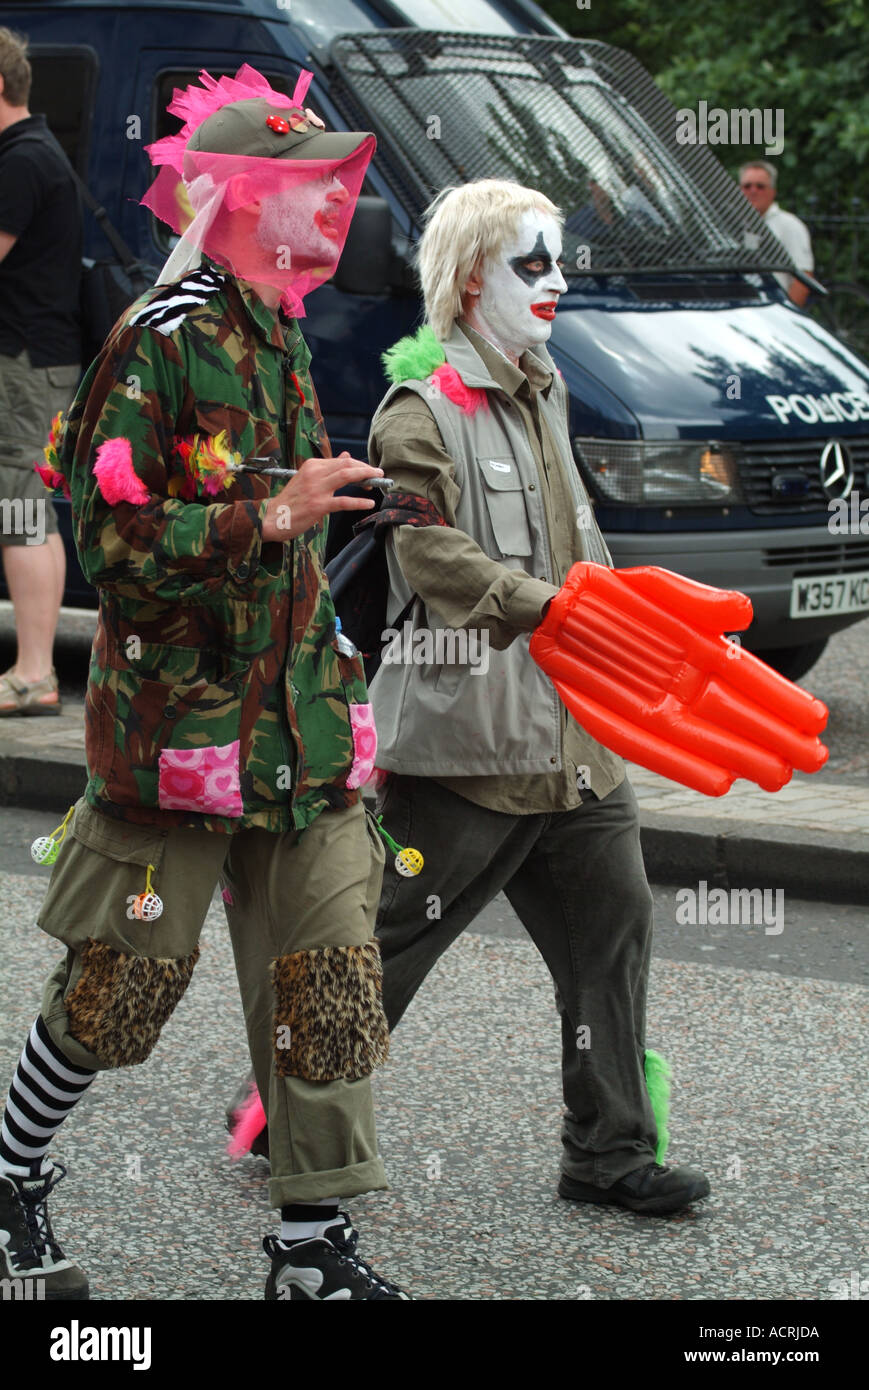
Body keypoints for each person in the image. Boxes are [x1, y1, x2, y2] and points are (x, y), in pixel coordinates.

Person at [0, 64, 409, 1301]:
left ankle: (308, 1254)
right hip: (183, 742)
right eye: (307, 188)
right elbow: (114, 553)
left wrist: (333, 499)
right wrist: (265, 516)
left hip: (300, 735)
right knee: (118, 989)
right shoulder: (156, 340)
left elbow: (270, 507)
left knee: (328, 987)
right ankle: (10, 1172)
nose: (333, 210)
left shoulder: (278, 329)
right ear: (236, 202)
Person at [367, 178, 710, 1217]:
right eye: (532, 263)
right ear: (471, 278)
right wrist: (546, 611)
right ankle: (293, 1107)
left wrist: (636, 642)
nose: (557, 283)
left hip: (575, 734)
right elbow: (427, 552)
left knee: (615, 922)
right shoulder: (417, 405)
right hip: (467, 741)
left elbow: (576, 546)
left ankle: (607, 1154)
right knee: (388, 943)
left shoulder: (544, 382)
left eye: (560, 261)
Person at [0, 27, 80, 716]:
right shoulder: (37, 152)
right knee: (33, 512)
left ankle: (31, 674)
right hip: (43, 362)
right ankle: (38, 666)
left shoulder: (20, 161)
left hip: (22, 365)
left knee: (19, 511)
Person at [739, 159, 813, 307]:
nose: (753, 191)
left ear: (773, 191)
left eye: (760, 186)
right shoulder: (737, 224)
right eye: (747, 186)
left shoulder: (789, 225)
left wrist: (788, 314)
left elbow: (804, 278)